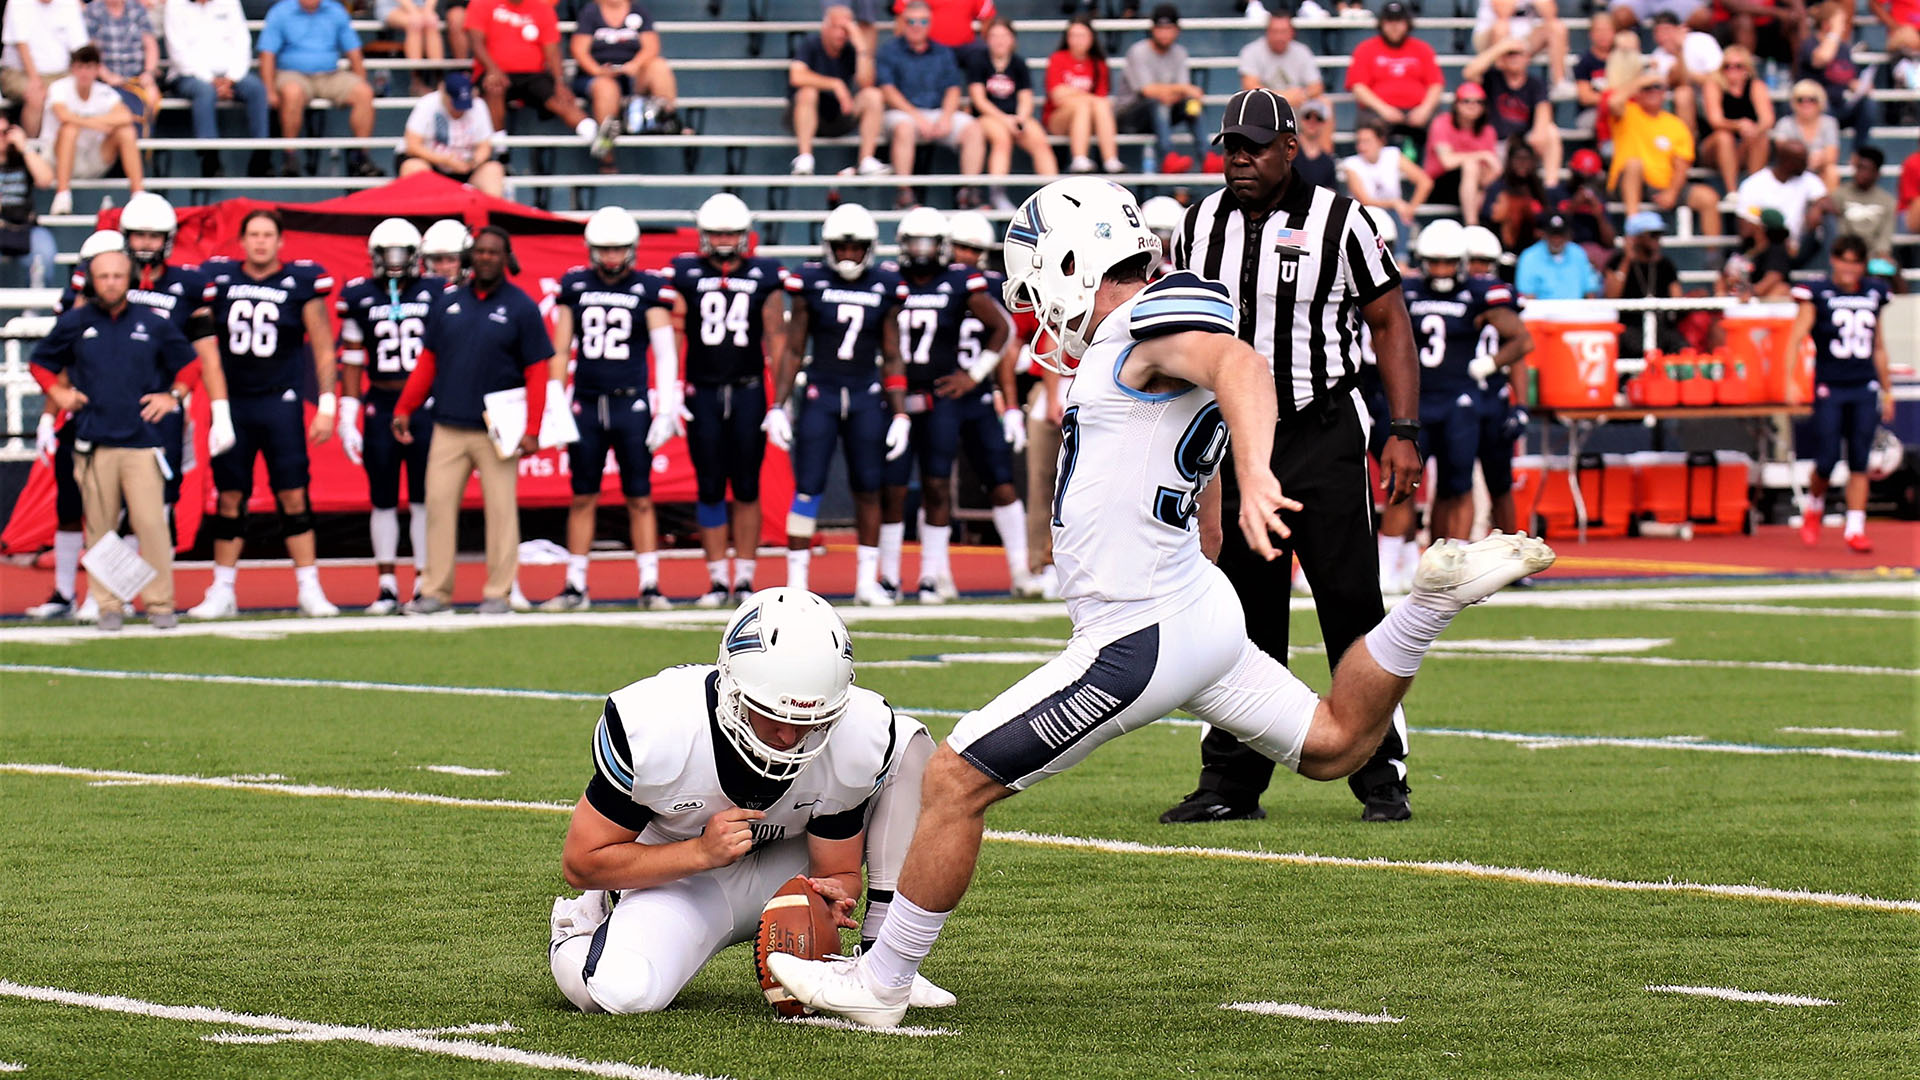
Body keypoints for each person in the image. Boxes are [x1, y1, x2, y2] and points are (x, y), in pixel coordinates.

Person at [766, 176, 1556, 1027]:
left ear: (1076, 260)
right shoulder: (1145, 324)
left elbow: (1237, 365)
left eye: (1038, 277)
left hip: (1136, 629)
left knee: (956, 779)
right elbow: (1199, 424)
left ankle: (882, 984)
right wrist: (1215, 522)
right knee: (1333, 746)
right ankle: (1429, 605)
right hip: (1192, 610)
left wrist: (1257, 474)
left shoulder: (1149, 316)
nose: (1034, 301)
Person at [1166, 89, 1427, 824]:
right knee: (1243, 618)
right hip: (1239, 437)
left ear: (1291, 147)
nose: (1239, 160)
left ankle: (1381, 774)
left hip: (1323, 428)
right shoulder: (1196, 226)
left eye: (1254, 146)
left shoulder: (1343, 221)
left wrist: (1402, 426)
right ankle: (1231, 782)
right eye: (1230, 148)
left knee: (1351, 606)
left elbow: (1389, 321)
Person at [546, 587, 953, 1016]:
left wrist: (835, 893)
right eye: (775, 715)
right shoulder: (659, 725)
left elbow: (840, 869)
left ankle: (883, 963)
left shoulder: (855, 734)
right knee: (620, 992)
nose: (790, 736)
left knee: (908, 746)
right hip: (678, 879)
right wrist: (700, 852)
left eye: (813, 721)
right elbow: (582, 863)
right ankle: (579, 930)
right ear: (733, 692)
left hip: (785, 869)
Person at [30, 248, 199, 632]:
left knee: (150, 524)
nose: (110, 283)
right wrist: (58, 396)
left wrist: (172, 396)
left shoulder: (153, 323)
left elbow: (190, 362)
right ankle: (108, 603)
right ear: (92, 280)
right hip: (94, 440)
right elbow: (40, 361)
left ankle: (160, 603)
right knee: (100, 529)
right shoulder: (75, 322)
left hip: (142, 441)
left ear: (130, 278)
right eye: (103, 276)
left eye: (118, 276)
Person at [189, 209, 341, 619]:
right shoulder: (218, 280)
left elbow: (324, 346)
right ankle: (222, 588)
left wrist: (327, 406)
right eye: (253, 234)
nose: (260, 242)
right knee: (230, 497)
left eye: (267, 234)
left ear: (280, 241)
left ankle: (309, 586)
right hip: (234, 401)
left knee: (293, 494)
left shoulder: (300, 282)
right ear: (241, 240)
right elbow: (198, 337)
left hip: (281, 400)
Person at [393, 227, 550, 615]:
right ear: (469, 257)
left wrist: (532, 430)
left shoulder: (521, 307)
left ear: (506, 258)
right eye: (478, 252)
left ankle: (498, 593)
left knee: (501, 512)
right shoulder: (448, 303)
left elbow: (537, 373)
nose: (485, 258)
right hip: (448, 425)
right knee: (439, 508)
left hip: (497, 430)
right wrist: (404, 407)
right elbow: (428, 361)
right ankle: (434, 591)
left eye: (493, 252)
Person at [543, 207, 681, 613]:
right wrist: (555, 397)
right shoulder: (575, 285)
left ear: (632, 249)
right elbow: (561, 345)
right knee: (582, 496)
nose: (611, 257)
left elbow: (664, 351)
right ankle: (575, 584)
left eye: (618, 248)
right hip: (587, 401)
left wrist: (666, 406)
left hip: (630, 402)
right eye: (604, 249)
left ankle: (650, 583)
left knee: (640, 496)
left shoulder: (649, 287)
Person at [876, 207, 1014, 604]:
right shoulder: (886, 279)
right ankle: (887, 577)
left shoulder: (959, 279)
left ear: (942, 246)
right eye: (913, 242)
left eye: (928, 243)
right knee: (894, 487)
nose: (920, 251)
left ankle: (930, 577)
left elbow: (1001, 328)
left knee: (937, 484)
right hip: (896, 395)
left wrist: (973, 375)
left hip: (940, 395)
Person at [774, 203, 908, 603]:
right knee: (807, 489)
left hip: (866, 394)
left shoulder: (885, 285)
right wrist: (777, 404)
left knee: (869, 487)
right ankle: (796, 583)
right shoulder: (810, 281)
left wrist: (899, 412)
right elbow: (793, 348)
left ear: (870, 248)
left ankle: (867, 581)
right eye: (842, 246)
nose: (848, 254)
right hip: (822, 393)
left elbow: (893, 353)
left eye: (856, 247)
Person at [663, 194, 790, 607]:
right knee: (710, 486)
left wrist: (778, 403)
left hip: (749, 388)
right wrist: (670, 390)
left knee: (748, 486)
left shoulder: (765, 274)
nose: (722, 240)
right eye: (716, 232)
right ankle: (719, 578)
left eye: (730, 232)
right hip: (703, 390)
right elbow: (676, 332)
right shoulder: (685, 272)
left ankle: (747, 577)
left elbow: (776, 336)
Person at [335, 218, 440, 614]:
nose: (395, 263)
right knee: (381, 499)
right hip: (380, 400)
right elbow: (353, 357)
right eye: (387, 254)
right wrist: (348, 413)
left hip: (424, 404)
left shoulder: (436, 290)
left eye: (402, 254)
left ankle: (423, 582)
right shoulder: (359, 295)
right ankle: (385, 585)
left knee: (421, 499)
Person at [1404, 219, 1530, 542]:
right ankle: (1432, 555)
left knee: (1494, 480)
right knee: (1438, 483)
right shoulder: (1413, 290)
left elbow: (1519, 346)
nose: (1480, 269)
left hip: (1484, 397)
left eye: (1486, 263)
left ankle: (1504, 555)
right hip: (1439, 398)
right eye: (1476, 261)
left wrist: (1520, 402)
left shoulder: (1491, 295)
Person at [27, 228, 123, 622]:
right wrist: (49, 416)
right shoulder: (76, 310)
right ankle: (65, 591)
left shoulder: (140, 310)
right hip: (82, 415)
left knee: (117, 511)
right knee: (70, 504)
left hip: (126, 419)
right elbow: (59, 363)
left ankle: (113, 592)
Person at [944, 208, 1034, 597]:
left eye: (973, 249)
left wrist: (1009, 404)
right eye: (960, 247)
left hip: (978, 395)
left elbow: (1008, 345)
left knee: (1001, 481)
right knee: (932, 484)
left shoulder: (995, 287)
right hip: (939, 395)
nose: (965, 256)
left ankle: (1020, 570)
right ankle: (935, 575)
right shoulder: (929, 281)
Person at [1786, 235, 1892, 553]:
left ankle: (1855, 528)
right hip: (1830, 384)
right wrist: (1791, 380)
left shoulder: (1874, 292)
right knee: (1828, 457)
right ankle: (1815, 503)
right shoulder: (1818, 293)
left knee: (1860, 458)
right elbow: (1795, 338)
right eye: (1844, 260)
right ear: (1833, 260)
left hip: (1864, 384)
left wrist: (1888, 391)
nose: (1850, 267)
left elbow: (1879, 346)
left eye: (1856, 261)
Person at [257, 0, 381, 179]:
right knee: (292, 92)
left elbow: (354, 52)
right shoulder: (280, 12)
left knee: (364, 92)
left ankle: (362, 157)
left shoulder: (336, 11)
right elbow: (267, 54)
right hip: (292, 74)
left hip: (330, 74)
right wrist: (269, 91)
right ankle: (290, 157)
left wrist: (361, 80)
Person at [877, 0, 982, 208]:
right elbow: (888, 91)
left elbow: (953, 89)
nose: (917, 26)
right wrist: (918, 118)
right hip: (902, 113)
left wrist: (945, 117)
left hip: (936, 113)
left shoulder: (943, 52)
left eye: (923, 21)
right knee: (904, 127)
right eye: (911, 21)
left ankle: (968, 192)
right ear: (903, 22)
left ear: (930, 23)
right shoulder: (889, 51)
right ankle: (904, 193)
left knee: (973, 128)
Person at [468, 0, 597, 158]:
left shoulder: (542, 8)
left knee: (558, 96)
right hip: (493, 71)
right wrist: (493, 69)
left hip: (533, 74)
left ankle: (593, 133)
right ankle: (501, 150)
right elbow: (476, 42)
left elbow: (552, 50)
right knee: (494, 86)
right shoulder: (482, 3)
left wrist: (559, 82)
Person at [164, 0, 273, 179]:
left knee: (256, 89)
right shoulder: (174, 5)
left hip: (230, 76)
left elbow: (242, 41)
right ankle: (210, 158)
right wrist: (211, 80)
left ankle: (261, 156)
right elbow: (178, 52)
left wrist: (231, 78)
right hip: (188, 75)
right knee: (204, 92)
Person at [570, 0, 678, 168]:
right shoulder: (591, 12)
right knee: (607, 88)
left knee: (658, 66)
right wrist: (598, 71)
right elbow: (579, 50)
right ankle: (606, 152)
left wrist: (634, 65)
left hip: (632, 74)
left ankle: (667, 119)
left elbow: (651, 47)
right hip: (597, 75)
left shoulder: (639, 11)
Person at [40, 46, 145, 217]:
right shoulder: (59, 88)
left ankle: (138, 195)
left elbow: (126, 117)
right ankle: (62, 194)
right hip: (56, 160)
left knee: (126, 131)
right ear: (73, 69)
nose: (84, 73)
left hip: (93, 159)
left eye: (89, 67)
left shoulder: (104, 92)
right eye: (80, 67)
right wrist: (98, 124)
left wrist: (85, 121)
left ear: (97, 70)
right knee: (70, 130)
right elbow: (63, 116)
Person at [1608, 71, 1721, 229]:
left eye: (1658, 87)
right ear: (1638, 93)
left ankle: (1714, 253)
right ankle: (1633, 224)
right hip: (1631, 184)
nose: (1653, 91)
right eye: (1647, 88)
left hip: (1665, 184)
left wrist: (1672, 192)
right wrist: (1640, 82)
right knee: (1634, 164)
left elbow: (1682, 163)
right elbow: (1614, 103)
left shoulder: (1675, 124)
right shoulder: (1628, 113)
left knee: (1708, 198)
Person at [964, 17, 1056, 209]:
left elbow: (1025, 98)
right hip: (988, 116)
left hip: (1015, 116)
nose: (999, 41)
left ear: (1012, 39)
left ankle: (1052, 195)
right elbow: (979, 100)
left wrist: (1020, 119)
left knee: (1039, 139)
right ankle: (998, 194)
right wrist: (1005, 120)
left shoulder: (1018, 64)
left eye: (1004, 36)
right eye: (994, 36)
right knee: (1001, 138)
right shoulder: (978, 61)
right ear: (987, 39)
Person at [789, 4, 886, 179]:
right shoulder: (811, 44)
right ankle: (805, 157)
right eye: (837, 27)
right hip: (809, 115)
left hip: (841, 113)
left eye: (846, 28)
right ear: (825, 27)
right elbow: (796, 76)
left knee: (873, 96)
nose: (842, 33)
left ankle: (866, 160)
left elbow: (867, 82)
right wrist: (835, 85)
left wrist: (861, 47)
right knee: (807, 92)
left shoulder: (850, 50)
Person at [1116, 5, 1207, 176]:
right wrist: (1180, 89)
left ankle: (1207, 157)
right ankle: (1168, 158)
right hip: (1130, 117)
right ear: (1152, 29)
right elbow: (1147, 90)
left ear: (1177, 31)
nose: (1164, 34)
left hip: (1163, 112)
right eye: (1160, 28)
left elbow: (1183, 94)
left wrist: (1176, 92)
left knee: (1191, 104)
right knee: (1158, 102)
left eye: (1169, 29)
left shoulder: (1179, 52)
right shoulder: (1138, 51)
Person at [1346, 1, 1443, 152]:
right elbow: (1358, 87)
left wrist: (1425, 109)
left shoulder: (1422, 48)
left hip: (1418, 111)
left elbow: (1436, 84)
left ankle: (1429, 174)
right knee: (1369, 130)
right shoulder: (1365, 48)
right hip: (1378, 112)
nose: (1394, 26)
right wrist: (1384, 109)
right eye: (1389, 21)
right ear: (1382, 23)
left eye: (1399, 21)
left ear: (1407, 23)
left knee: (1440, 124)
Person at [1465, 36, 1563, 186]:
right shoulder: (1492, 78)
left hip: (1524, 143)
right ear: (1502, 58)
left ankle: (1551, 187)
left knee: (1551, 132)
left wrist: (1536, 136)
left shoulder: (1535, 84)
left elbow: (1543, 111)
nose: (1514, 58)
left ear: (1528, 59)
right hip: (1496, 145)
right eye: (1510, 54)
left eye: (1519, 54)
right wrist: (1500, 48)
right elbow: (1469, 73)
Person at [397, 70, 504, 196]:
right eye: (455, 104)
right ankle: (427, 214)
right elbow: (412, 145)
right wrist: (443, 160)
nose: (459, 111)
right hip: (432, 164)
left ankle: (492, 214)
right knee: (414, 167)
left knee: (493, 170)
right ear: (444, 95)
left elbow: (484, 146)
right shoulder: (427, 104)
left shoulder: (479, 105)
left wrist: (472, 162)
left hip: (466, 166)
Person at [1043, 14, 1121, 177]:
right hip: (1059, 118)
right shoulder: (1058, 59)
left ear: (1091, 38)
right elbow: (1057, 95)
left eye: (1082, 35)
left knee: (1098, 106)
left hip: (1090, 118)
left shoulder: (1098, 64)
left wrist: (1071, 92)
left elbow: (1101, 100)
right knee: (1083, 105)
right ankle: (1079, 158)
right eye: (1073, 35)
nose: (1078, 40)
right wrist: (1084, 97)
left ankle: (1110, 159)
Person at [1, 0, 90, 140]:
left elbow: (80, 47)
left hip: (61, 73)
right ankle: (32, 149)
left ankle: (70, 147)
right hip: (19, 73)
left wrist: (84, 76)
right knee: (36, 95)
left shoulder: (70, 3)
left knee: (82, 91)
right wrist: (35, 80)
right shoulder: (17, 3)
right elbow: (21, 44)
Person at [1238, 12, 1325, 148]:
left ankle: (1322, 162)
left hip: (1298, 105)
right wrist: (1284, 98)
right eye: (1275, 31)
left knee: (1324, 105)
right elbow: (1249, 86)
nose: (1279, 36)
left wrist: (1303, 95)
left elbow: (1317, 86)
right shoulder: (1251, 51)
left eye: (1283, 31)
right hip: (1264, 106)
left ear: (1292, 33)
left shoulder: (1302, 51)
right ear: (1267, 32)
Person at [1605, 209, 1685, 357]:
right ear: (1637, 238)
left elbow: (1677, 299)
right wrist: (1628, 259)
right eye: (1652, 235)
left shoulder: (1665, 265)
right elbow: (1611, 296)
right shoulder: (1617, 262)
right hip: (1629, 327)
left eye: (1659, 235)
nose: (1657, 239)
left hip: (1662, 327)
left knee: (1681, 347)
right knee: (1628, 344)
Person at [1732, 138, 1827, 259]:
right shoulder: (1754, 183)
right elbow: (1745, 228)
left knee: (1829, 221)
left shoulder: (1808, 179)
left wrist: (1817, 208)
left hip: (1801, 247)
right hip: (1767, 246)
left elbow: (1828, 203)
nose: (1806, 164)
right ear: (1786, 161)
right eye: (1801, 160)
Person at [1344, 118, 1432, 248]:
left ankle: (1402, 261)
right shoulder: (1351, 164)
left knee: (1402, 217)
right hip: (1365, 214)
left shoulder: (1392, 155)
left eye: (1367, 141)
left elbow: (1425, 182)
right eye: (1359, 142)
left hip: (1394, 214)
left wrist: (1410, 209)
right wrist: (1394, 203)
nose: (1361, 146)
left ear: (1381, 141)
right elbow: (1365, 201)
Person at [1423, 82, 1501, 226]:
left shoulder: (1488, 131)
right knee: (1471, 166)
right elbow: (1447, 162)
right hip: (1440, 186)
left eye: (1479, 102)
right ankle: (1472, 225)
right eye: (1466, 101)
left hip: (1472, 189)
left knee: (1489, 184)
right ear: (1456, 104)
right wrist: (1482, 155)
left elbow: (1493, 172)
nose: (1472, 105)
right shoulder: (1441, 123)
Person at [1698, 43, 1773, 192]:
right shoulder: (1713, 85)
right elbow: (1715, 120)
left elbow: (1767, 119)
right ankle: (1732, 191)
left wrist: (1754, 129)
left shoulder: (1756, 86)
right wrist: (1739, 125)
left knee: (1760, 137)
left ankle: (1754, 191)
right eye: (1727, 66)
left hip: (1744, 144)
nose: (1732, 70)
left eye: (1738, 66)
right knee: (1724, 137)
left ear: (1747, 68)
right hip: (1714, 148)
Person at [82, 0, 159, 132]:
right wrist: (107, 76)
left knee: (152, 97)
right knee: (122, 109)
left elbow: (151, 45)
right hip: (105, 79)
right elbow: (89, 50)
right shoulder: (92, 10)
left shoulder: (137, 8)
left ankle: (144, 146)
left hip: (137, 78)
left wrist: (149, 73)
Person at [0, 112, 57, 292]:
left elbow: (46, 179)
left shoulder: (23, 158)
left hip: (26, 227)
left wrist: (24, 146)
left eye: (5, 131)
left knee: (46, 253)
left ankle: (34, 311)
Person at [1646, 9, 1721, 129]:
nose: (1662, 37)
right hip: (1683, 105)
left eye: (1667, 31)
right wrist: (1679, 51)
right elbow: (1677, 82)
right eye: (1658, 32)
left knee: (1710, 88)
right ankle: (1686, 144)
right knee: (1683, 94)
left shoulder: (1701, 41)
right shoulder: (1657, 56)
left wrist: (1689, 73)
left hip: (1714, 98)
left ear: (1681, 29)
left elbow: (1718, 78)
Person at [1474, 0, 1571, 89]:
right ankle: (1500, 86)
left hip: (1524, 37)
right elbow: (1503, 12)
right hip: (1490, 38)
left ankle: (1559, 82)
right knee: (1501, 27)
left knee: (1557, 27)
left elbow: (1551, 14)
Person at [1772, 80, 1839, 192]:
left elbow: (1832, 156)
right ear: (1793, 103)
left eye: (1812, 100)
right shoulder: (1784, 124)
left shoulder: (1829, 123)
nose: (1806, 104)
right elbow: (1782, 154)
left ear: (1820, 102)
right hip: (1793, 171)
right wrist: (1806, 160)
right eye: (1800, 100)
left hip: (1818, 170)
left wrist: (1820, 158)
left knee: (1831, 172)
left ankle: (1826, 207)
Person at [1516, 211, 1601, 298]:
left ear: (1568, 234)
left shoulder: (1578, 253)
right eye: (1552, 234)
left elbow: (1590, 290)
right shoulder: (1529, 257)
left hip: (1576, 310)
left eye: (1561, 234)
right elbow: (1526, 295)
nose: (1556, 239)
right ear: (1544, 234)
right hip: (1542, 310)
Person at [1834, 146, 1896, 260]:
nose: (1861, 173)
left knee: (1892, 271)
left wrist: (1880, 254)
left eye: (1866, 169)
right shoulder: (1839, 195)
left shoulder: (1888, 201)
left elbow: (1885, 236)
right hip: (1846, 255)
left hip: (1875, 256)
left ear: (1877, 173)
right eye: (1859, 168)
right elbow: (1839, 230)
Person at [376, 0, 442, 96]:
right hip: (390, 7)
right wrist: (415, 12)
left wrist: (428, 10)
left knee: (431, 22)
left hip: (420, 7)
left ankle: (439, 80)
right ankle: (416, 81)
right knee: (414, 22)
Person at [890, 0, 988, 48]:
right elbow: (901, 14)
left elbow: (987, 15)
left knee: (979, 54)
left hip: (965, 48)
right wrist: (899, 47)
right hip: (927, 48)